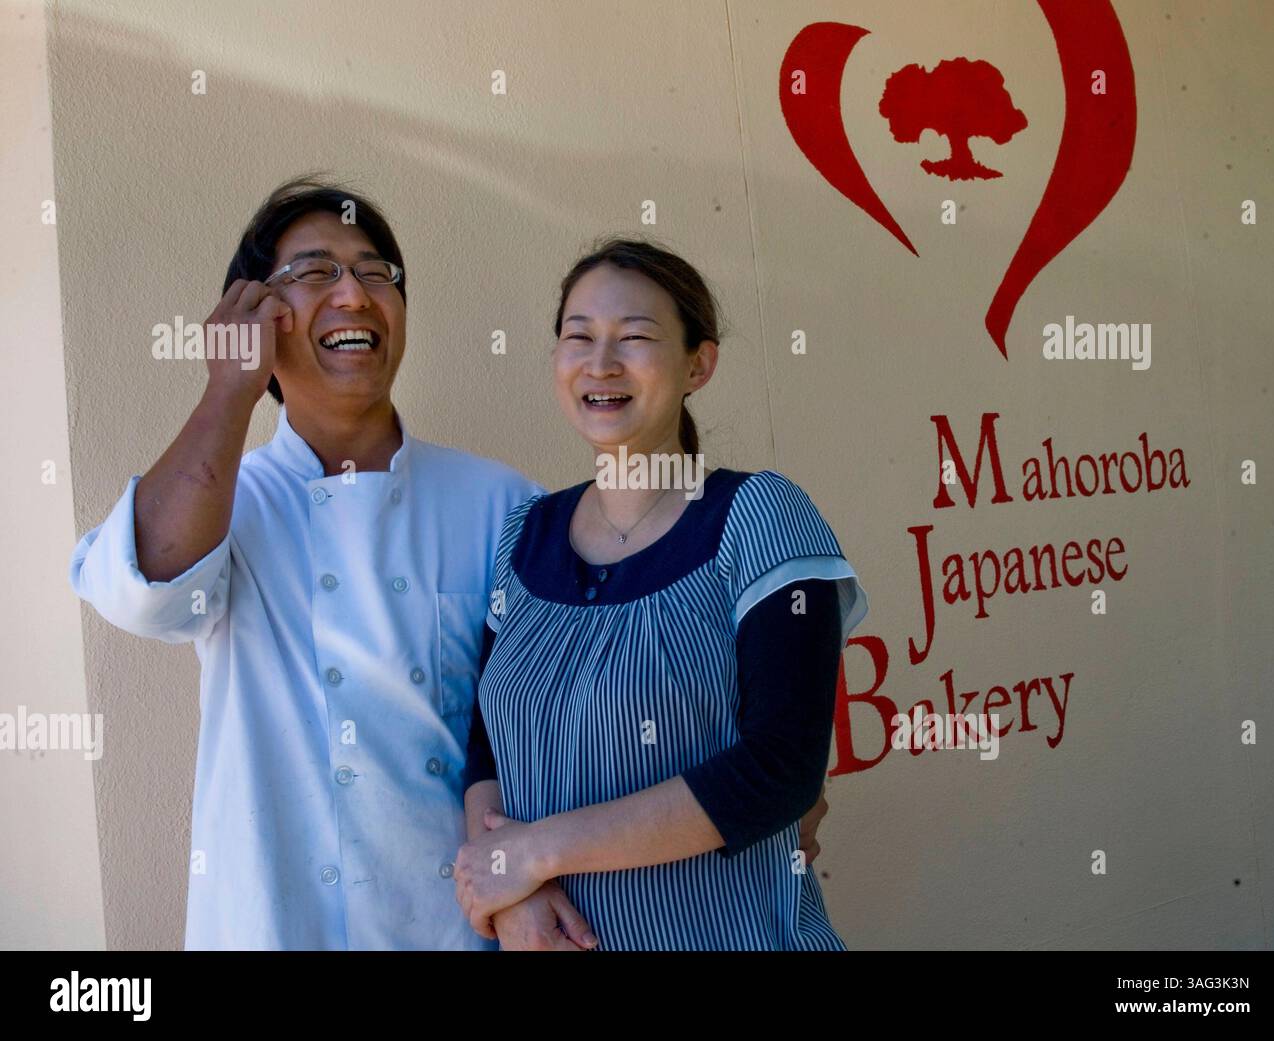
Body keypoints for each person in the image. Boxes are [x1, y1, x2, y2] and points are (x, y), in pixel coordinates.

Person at [68, 177, 571, 949]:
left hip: (457, 928)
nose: (354, 294)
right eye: (314, 273)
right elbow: (149, 593)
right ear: (257, 317)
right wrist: (228, 388)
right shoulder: (228, 500)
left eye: (376, 273)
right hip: (275, 922)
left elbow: (550, 723)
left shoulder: (503, 504)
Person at [454, 239, 868, 950]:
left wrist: (538, 851)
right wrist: (509, 893)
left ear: (697, 365)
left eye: (634, 338)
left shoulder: (760, 517)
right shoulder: (524, 537)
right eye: (577, 336)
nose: (601, 362)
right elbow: (487, 748)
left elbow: (783, 769)